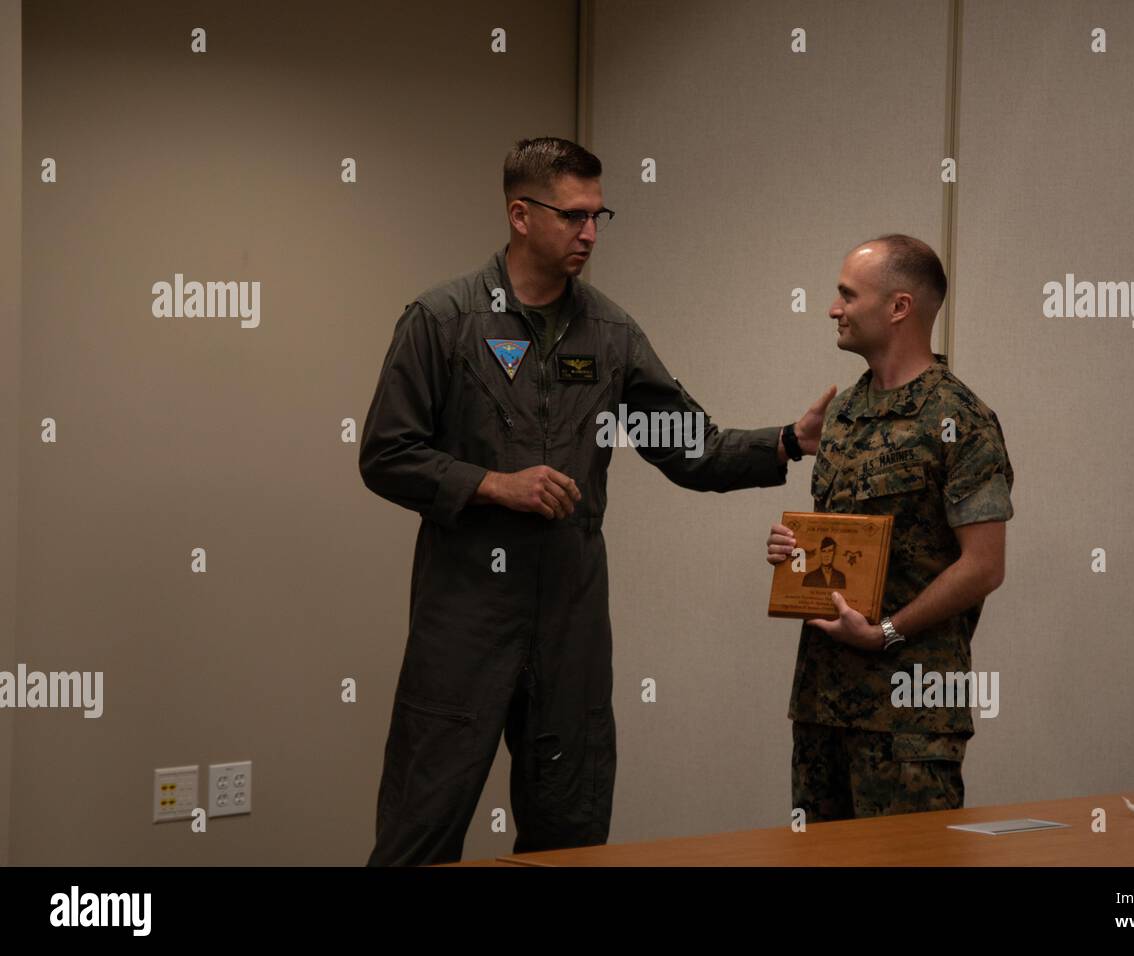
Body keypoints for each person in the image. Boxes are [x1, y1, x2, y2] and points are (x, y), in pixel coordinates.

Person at [358, 136, 835, 865]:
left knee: (571, 832)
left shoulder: (609, 334)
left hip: (570, 622)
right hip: (463, 618)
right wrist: (491, 484)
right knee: (419, 831)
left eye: (598, 216)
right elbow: (386, 454)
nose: (589, 233)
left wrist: (786, 442)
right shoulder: (442, 321)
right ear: (521, 214)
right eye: (573, 215)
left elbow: (688, 446)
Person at [766, 234, 1013, 822]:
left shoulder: (960, 419)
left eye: (848, 295)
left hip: (910, 716)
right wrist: (792, 554)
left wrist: (888, 632)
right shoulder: (844, 412)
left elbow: (984, 565)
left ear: (899, 308)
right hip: (823, 704)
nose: (833, 308)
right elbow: (845, 546)